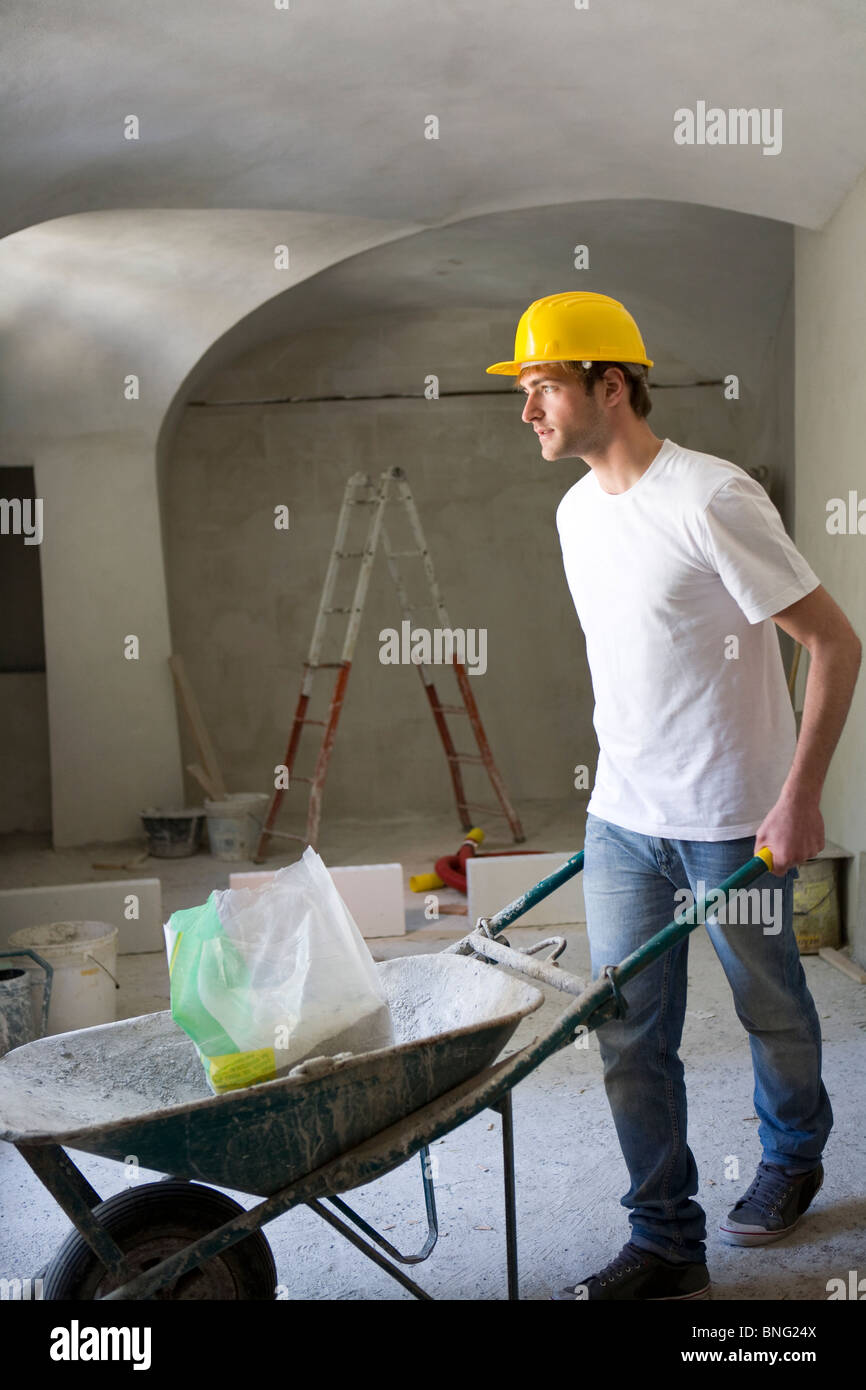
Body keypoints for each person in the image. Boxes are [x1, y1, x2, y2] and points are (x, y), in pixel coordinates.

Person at [486, 292, 862, 1300]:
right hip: (621, 823)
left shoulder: (710, 498)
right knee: (624, 1033)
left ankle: (790, 1153)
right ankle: (664, 1240)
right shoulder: (571, 512)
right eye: (521, 391)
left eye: (540, 388)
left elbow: (833, 642)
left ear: (609, 386)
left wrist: (798, 797)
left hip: (733, 821)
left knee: (767, 999)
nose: (527, 410)